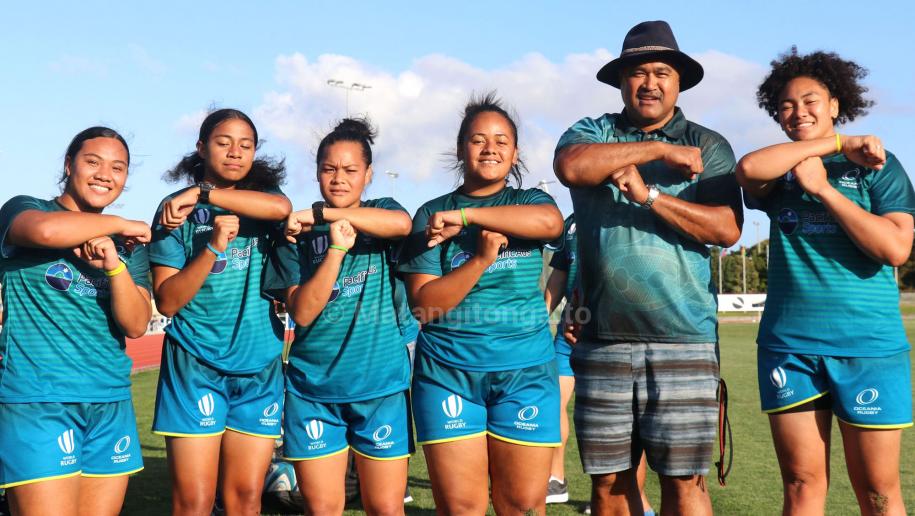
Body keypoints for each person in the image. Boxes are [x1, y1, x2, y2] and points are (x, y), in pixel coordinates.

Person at [553, 20, 743, 515]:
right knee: (609, 486)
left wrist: (650, 195)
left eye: (662, 73)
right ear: (621, 82)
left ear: (679, 82)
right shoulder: (593, 132)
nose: (650, 83)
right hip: (601, 341)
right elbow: (571, 166)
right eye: (638, 72)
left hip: (684, 338)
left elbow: (726, 229)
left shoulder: (708, 144)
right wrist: (659, 149)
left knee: (685, 485)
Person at [736, 48, 914, 516]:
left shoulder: (878, 165)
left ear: (835, 104)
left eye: (810, 101)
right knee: (800, 486)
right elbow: (747, 170)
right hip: (789, 348)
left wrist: (823, 189)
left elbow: (895, 249)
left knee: (878, 493)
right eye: (786, 105)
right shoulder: (779, 170)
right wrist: (835, 144)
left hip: (868, 347)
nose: (798, 112)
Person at [400, 93, 564, 515]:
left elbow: (551, 224)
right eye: (478, 140)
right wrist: (479, 260)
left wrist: (468, 218)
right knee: (462, 508)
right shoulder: (432, 213)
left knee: (522, 505)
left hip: (525, 373)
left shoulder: (529, 202)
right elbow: (424, 307)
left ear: (515, 153)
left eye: (501, 141)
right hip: (448, 375)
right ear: (460, 149)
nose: (490, 148)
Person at [0, 127, 151, 515]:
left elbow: (136, 324)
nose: (105, 175)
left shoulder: (128, 248)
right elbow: (47, 231)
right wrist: (117, 223)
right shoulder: (25, 208)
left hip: (110, 401)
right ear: (69, 165)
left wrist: (114, 266)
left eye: (117, 167)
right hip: (39, 400)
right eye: (93, 162)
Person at [266, 118, 414, 515]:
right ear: (317, 172)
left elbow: (402, 225)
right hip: (313, 391)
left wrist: (323, 216)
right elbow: (302, 312)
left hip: (380, 387)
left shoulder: (382, 212)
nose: (339, 178)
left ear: (368, 174)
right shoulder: (294, 234)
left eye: (350, 170)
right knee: (323, 509)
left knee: (385, 508)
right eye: (329, 169)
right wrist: (334, 251)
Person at [148, 108, 292, 516]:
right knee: (193, 502)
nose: (235, 152)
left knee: (245, 500)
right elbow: (167, 301)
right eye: (223, 142)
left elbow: (281, 209)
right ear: (201, 147)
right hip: (195, 364)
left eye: (246, 145)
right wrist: (211, 248)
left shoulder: (262, 201)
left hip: (259, 366)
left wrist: (203, 194)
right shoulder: (175, 209)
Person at [545, 215, 656, 515]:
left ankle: (636, 501)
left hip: (614, 331)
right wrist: (541, 318)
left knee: (626, 420)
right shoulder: (571, 222)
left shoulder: (628, 213)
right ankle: (556, 479)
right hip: (569, 328)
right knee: (551, 402)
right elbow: (559, 274)